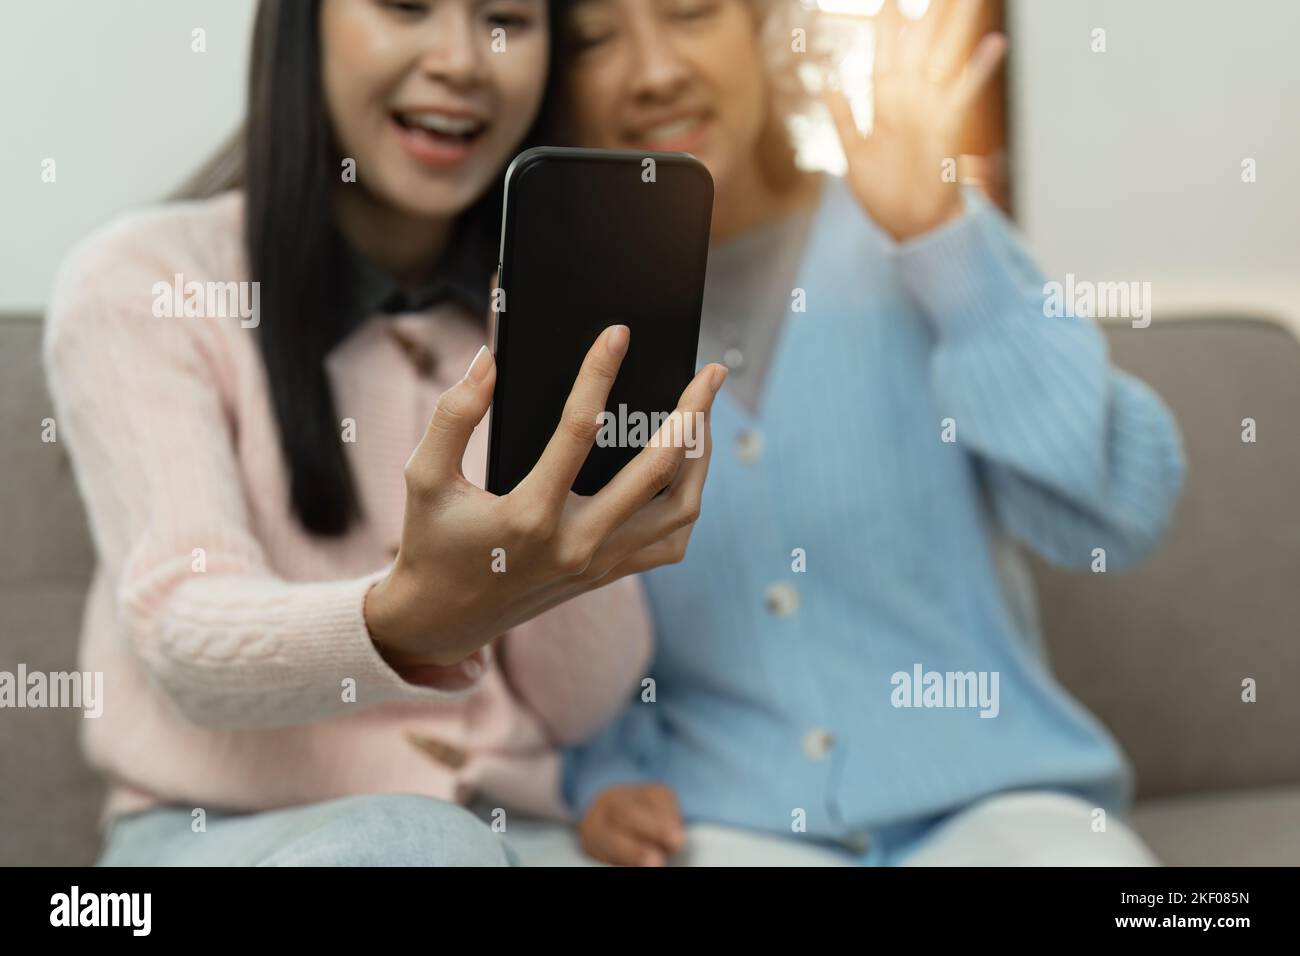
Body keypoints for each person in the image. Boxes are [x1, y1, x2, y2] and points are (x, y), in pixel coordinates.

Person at [44, 0, 724, 866]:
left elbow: (577, 705)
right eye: (405, 5)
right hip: (222, 833)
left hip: (506, 829)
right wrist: (411, 619)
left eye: (506, 19)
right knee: (416, 845)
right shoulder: (145, 282)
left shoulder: (534, 318)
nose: (463, 61)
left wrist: (589, 532)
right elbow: (185, 635)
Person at [552, 0, 1185, 866]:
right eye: (594, 39)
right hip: (732, 828)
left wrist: (943, 244)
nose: (654, 71)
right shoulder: (572, 324)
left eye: (691, 12)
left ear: (763, 30)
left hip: (1000, 810)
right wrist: (603, 780)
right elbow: (560, 623)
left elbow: (1121, 510)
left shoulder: (913, 226)